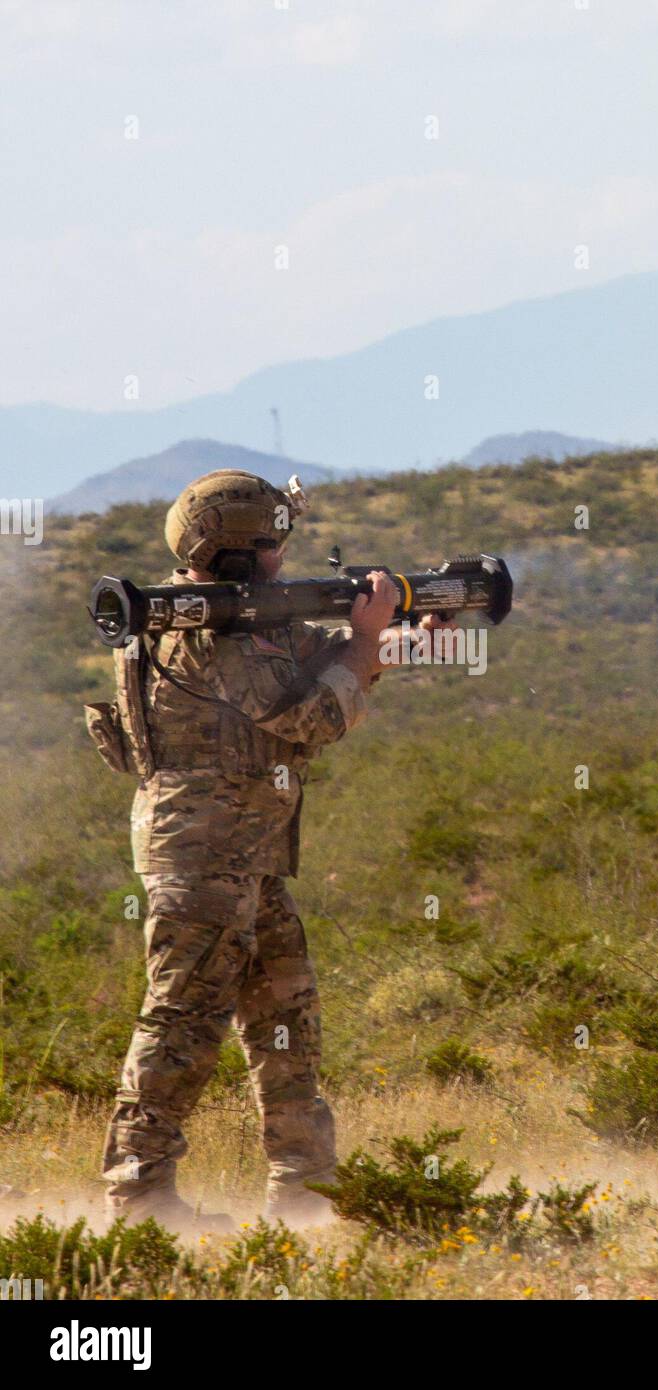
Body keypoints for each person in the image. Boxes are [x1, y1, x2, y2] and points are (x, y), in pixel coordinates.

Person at [96, 468, 452, 1230]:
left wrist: (392, 641)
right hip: (203, 858)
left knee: (286, 1016)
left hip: (248, 854)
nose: (281, 558)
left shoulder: (230, 615)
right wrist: (365, 644)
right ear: (233, 553)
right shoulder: (204, 625)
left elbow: (307, 656)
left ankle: (306, 1192)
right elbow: (308, 717)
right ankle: (139, 1199)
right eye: (270, 543)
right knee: (183, 1020)